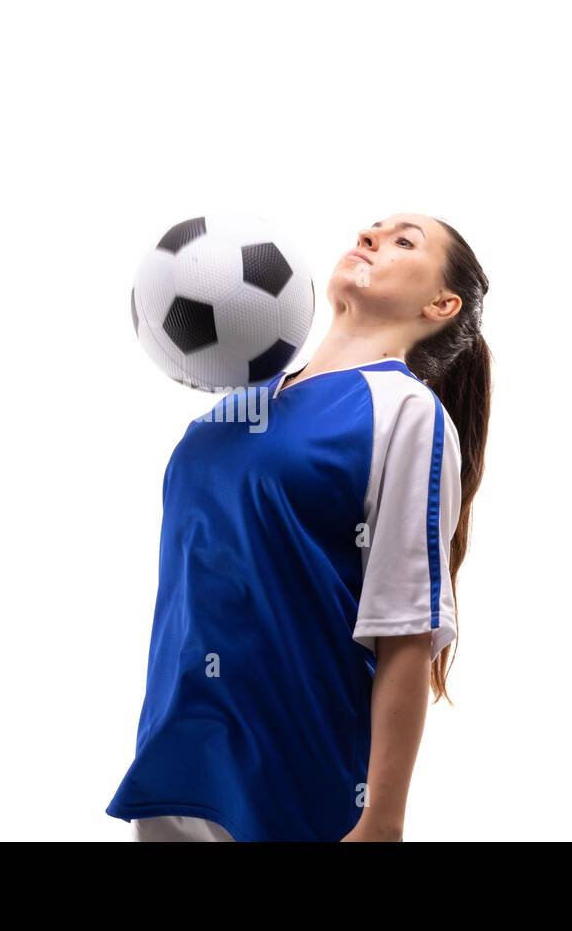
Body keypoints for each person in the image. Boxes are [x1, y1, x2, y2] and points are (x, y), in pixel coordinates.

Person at [107, 213, 492, 842]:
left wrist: (382, 822)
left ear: (441, 303)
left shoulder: (405, 411)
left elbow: (405, 629)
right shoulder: (236, 404)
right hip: (178, 766)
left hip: (293, 779)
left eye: (403, 242)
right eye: (370, 230)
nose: (370, 239)